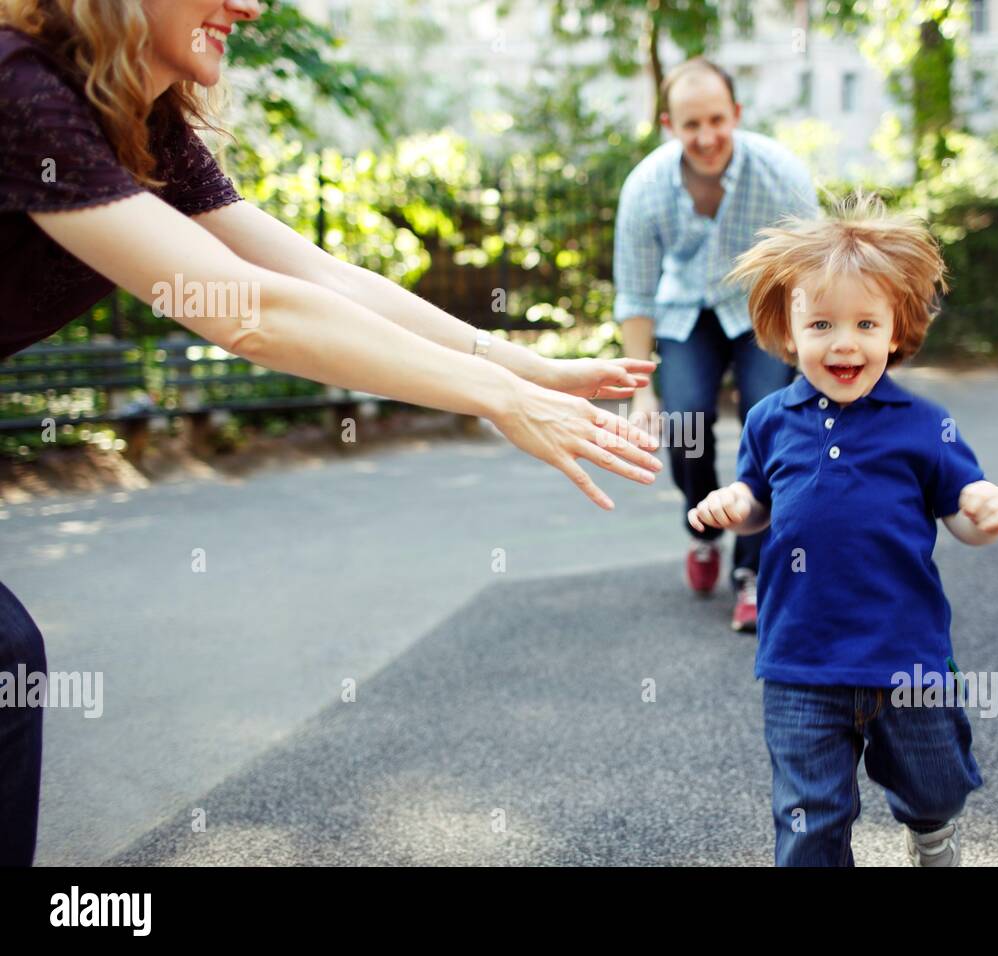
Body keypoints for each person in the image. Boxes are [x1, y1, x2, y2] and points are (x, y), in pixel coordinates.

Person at [0, 0, 662, 867]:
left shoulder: (141, 125)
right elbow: (248, 312)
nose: (251, 4)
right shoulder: (22, 91)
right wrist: (496, 397)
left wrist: (526, 370)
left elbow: (313, 275)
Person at [687, 194, 998, 866]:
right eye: (822, 324)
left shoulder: (925, 423)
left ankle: (933, 830)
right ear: (788, 331)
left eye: (866, 322)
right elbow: (759, 501)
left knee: (936, 785)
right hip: (801, 658)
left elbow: (960, 509)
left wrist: (982, 510)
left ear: (897, 331)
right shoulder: (770, 420)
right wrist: (733, 504)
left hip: (907, 655)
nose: (844, 342)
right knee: (809, 819)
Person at [613, 56, 818, 632]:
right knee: (687, 424)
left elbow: (813, 275)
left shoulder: (780, 173)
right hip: (686, 314)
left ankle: (750, 573)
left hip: (761, 311)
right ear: (667, 124)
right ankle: (702, 527)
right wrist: (641, 393)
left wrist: (813, 362)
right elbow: (635, 292)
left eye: (716, 121)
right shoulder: (646, 189)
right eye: (690, 125)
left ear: (737, 114)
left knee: (769, 425)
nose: (706, 138)